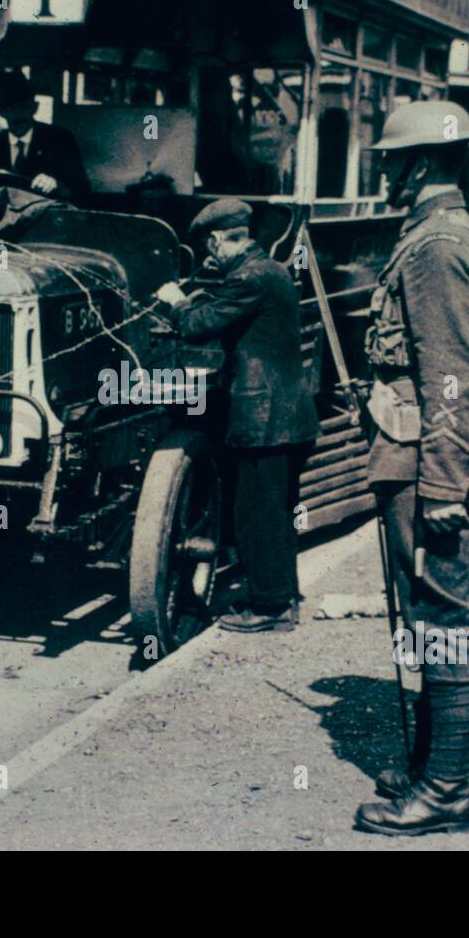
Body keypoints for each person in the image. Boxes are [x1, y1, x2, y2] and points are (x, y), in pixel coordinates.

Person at [350, 101, 469, 837]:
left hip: (428, 457)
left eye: (390, 158)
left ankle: (445, 788)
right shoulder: (440, 233)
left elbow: (455, 376)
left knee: (447, 610)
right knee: (433, 606)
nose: (383, 169)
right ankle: (442, 766)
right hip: (417, 447)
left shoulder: (438, 243)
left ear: (416, 165)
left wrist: (443, 486)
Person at [154, 199, 319, 633]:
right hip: (286, 416)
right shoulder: (265, 271)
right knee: (276, 513)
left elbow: (197, 325)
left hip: (266, 420)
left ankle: (270, 609)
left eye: (209, 249)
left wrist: (175, 302)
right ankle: (280, 597)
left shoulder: (250, 277)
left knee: (256, 515)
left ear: (216, 239)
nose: (209, 258)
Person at [0, 70, 88, 201]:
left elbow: (81, 190)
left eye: (24, 107)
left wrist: (57, 184)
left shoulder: (60, 140)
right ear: (1, 112)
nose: (18, 115)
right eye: (10, 108)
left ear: (35, 108)